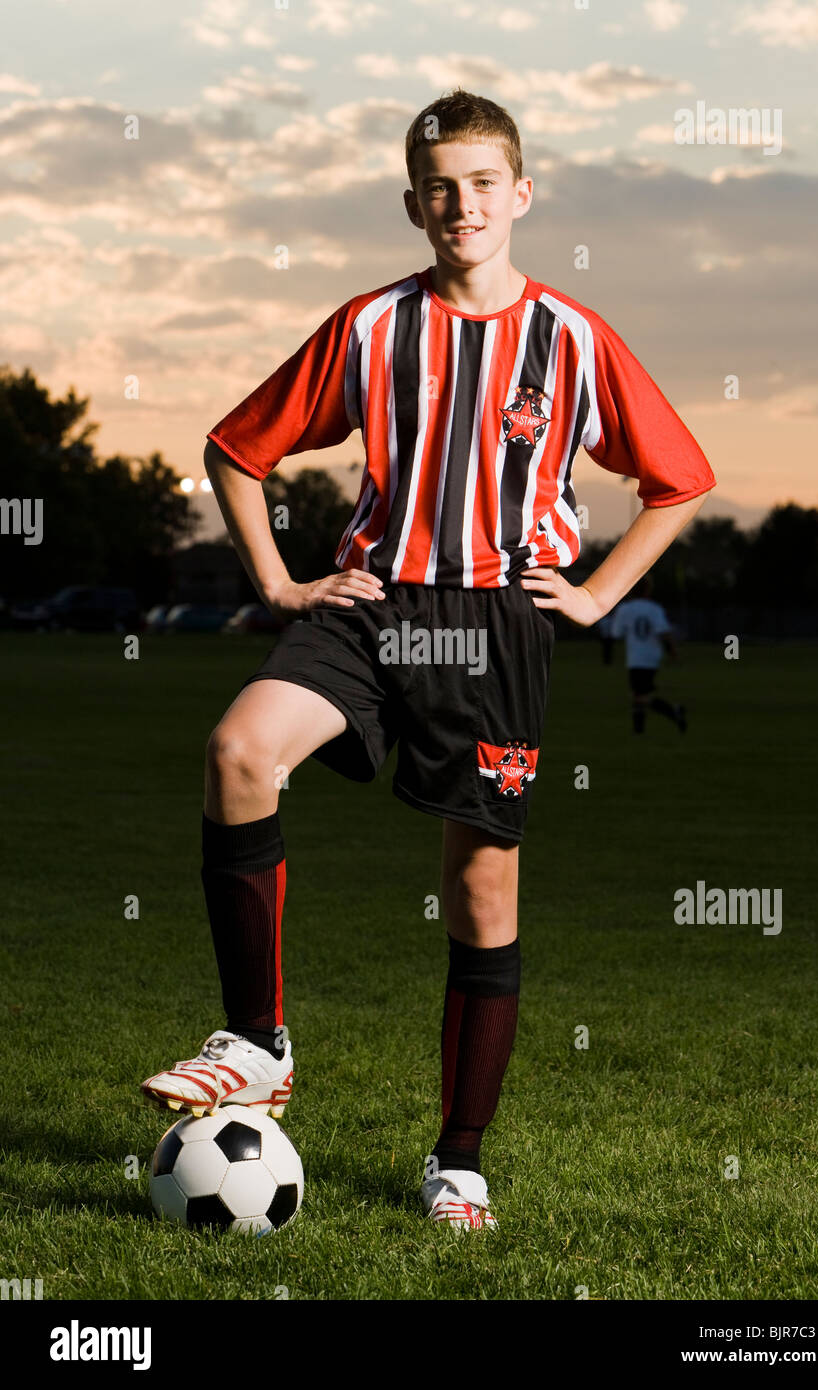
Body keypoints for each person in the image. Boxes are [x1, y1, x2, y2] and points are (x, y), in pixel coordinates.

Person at [141, 89, 715, 1229]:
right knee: (238, 751)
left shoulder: (571, 338)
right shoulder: (369, 328)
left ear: (521, 194)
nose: (462, 205)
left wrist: (597, 592)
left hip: (497, 626)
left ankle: (458, 1158)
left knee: (478, 885)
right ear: (413, 204)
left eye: (483, 184)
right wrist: (275, 581)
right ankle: (257, 1043)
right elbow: (233, 448)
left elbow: (679, 478)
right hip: (370, 601)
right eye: (440, 188)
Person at [611, 575, 687, 733]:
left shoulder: (625, 609)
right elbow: (664, 632)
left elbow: (616, 632)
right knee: (639, 694)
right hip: (652, 656)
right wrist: (672, 651)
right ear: (648, 590)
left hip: (635, 658)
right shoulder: (654, 609)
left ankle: (673, 711)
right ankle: (639, 730)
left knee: (640, 696)